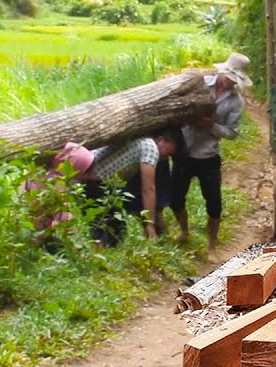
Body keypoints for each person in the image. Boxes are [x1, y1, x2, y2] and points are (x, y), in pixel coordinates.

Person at [171, 53, 251, 262]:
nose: (229, 82)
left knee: (214, 204)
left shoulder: (235, 102)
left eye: (234, 80)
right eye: (229, 78)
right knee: (176, 198)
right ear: (222, 72)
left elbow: (232, 133)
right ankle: (184, 232)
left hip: (208, 156)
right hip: (184, 151)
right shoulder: (200, 85)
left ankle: (212, 247)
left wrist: (211, 125)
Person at [79, 127, 184, 246]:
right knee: (114, 230)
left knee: (106, 226)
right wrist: (150, 225)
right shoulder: (151, 148)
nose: (164, 157)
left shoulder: (142, 140)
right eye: (167, 153)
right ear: (160, 140)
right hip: (93, 182)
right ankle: (99, 251)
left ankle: (98, 249)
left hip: (86, 179)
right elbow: (148, 189)